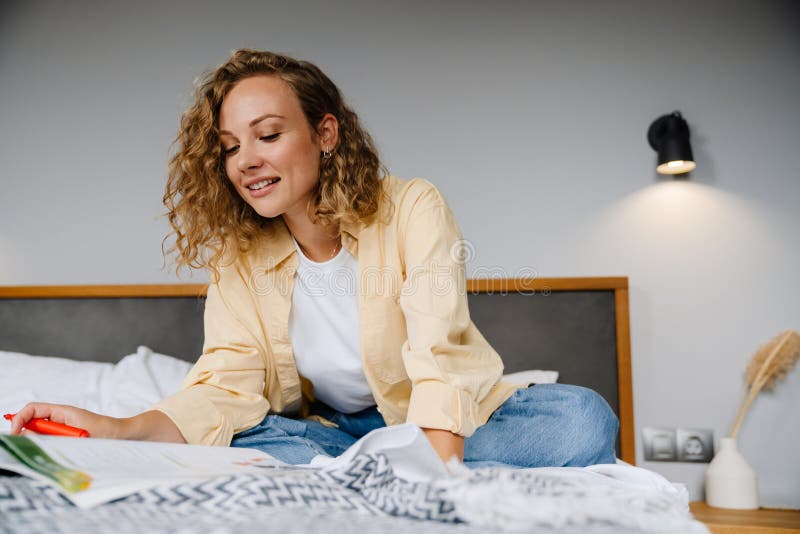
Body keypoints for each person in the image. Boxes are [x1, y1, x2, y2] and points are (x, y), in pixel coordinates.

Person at [9, 49, 618, 467]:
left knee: (583, 420)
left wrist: (436, 476)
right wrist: (116, 428)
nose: (246, 160)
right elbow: (224, 384)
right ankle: (362, 461)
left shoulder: (412, 207)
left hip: (425, 419)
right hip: (322, 429)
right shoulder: (238, 253)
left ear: (325, 135)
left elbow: (440, 355)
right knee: (236, 435)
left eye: (269, 135)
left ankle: (371, 462)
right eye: (230, 146)